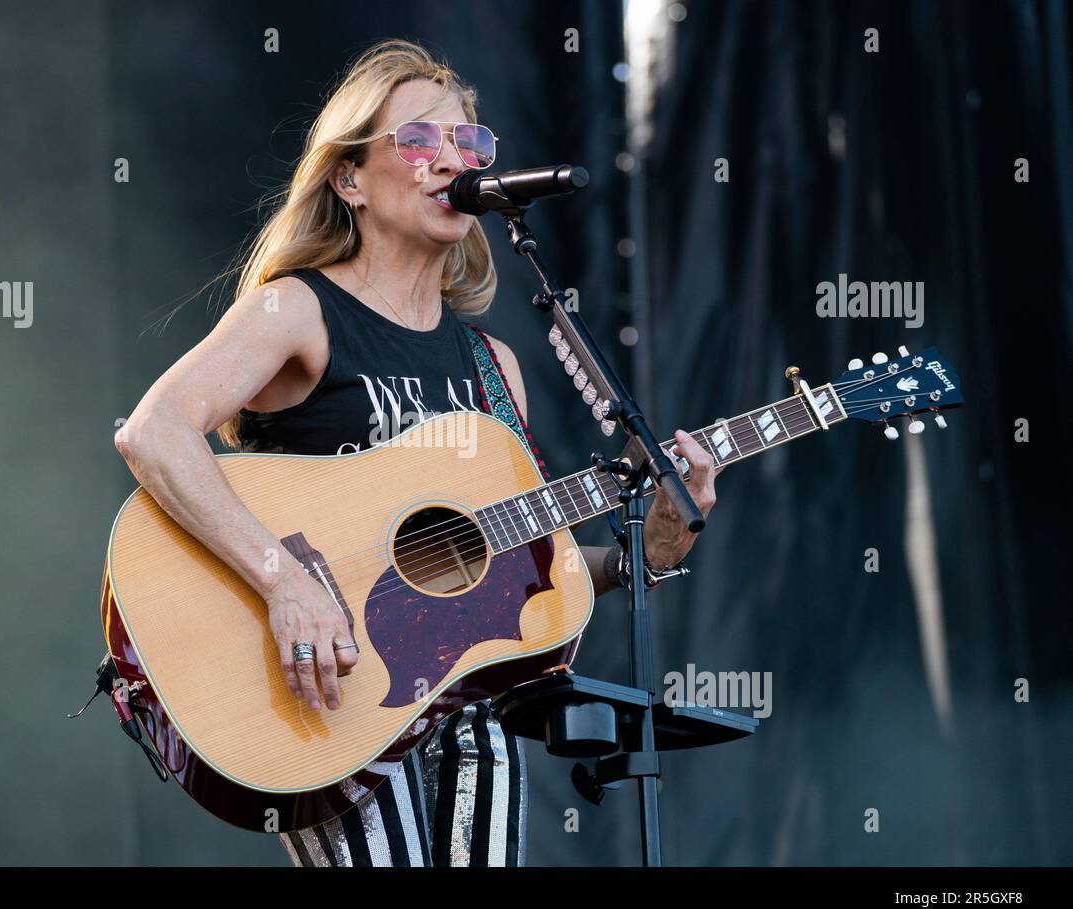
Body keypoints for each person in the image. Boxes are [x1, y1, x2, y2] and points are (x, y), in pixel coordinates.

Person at [114, 39, 718, 867]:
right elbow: (154, 432)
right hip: (338, 695)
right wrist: (285, 580)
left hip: (465, 719)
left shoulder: (493, 370)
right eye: (419, 141)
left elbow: (520, 562)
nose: (452, 162)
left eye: (469, 145)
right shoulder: (296, 311)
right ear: (350, 179)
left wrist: (647, 551)